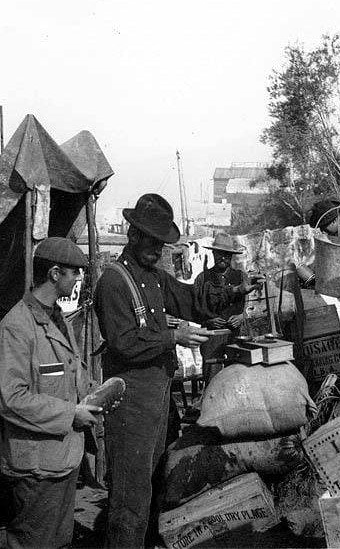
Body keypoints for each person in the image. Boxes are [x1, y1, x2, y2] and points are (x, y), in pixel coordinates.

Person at [94, 194, 227, 548]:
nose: (157, 249)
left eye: (161, 243)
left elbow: (190, 300)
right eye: (151, 241)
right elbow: (124, 343)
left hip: (158, 397)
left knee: (154, 480)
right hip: (130, 402)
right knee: (130, 493)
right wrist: (174, 336)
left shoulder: (154, 277)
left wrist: (229, 293)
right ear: (132, 235)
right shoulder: (113, 282)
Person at [0, 237, 101, 548]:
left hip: (63, 458)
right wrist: (71, 414)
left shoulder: (56, 317)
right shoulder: (17, 327)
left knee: (58, 540)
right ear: (54, 273)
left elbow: (70, 372)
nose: (78, 279)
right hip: (36, 468)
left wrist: (96, 393)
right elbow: (11, 399)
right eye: (74, 272)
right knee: (34, 542)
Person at [195, 233, 263, 383]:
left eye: (226, 255)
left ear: (231, 256)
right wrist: (209, 320)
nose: (223, 258)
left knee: (239, 377)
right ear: (213, 253)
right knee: (213, 378)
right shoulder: (202, 279)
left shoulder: (242, 277)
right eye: (220, 253)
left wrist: (242, 317)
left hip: (237, 336)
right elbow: (195, 309)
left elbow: (254, 306)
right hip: (211, 337)